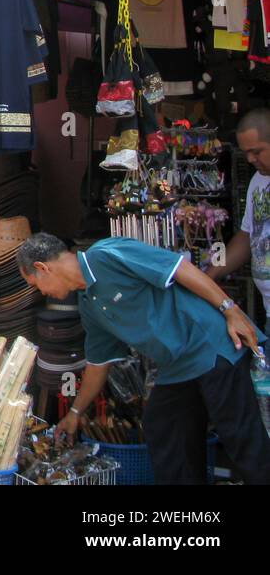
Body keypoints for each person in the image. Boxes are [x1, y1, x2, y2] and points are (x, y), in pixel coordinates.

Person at [18, 231, 270, 484]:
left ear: (43, 267)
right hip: (177, 366)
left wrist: (230, 310)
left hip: (211, 345)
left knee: (240, 437)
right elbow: (98, 364)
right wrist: (75, 412)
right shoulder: (89, 305)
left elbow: (180, 268)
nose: (41, 292)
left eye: (35, 284)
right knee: (164, 427)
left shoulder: (106, 254)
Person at [206, 108, 270, 318]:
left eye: (257, 151)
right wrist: (209, 274)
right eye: (246, 152)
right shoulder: (257, 181)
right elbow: (246, 237)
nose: (250, 159)